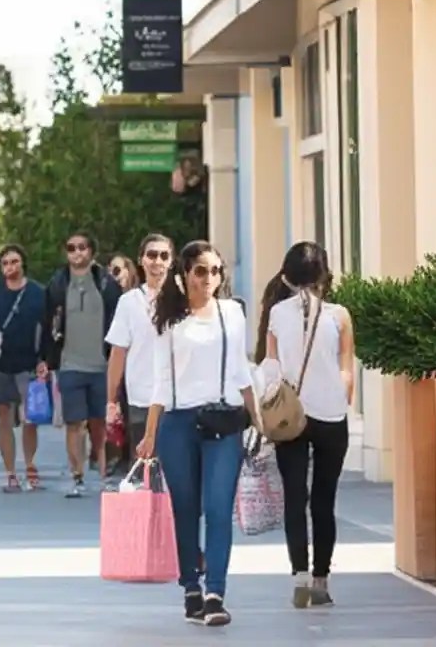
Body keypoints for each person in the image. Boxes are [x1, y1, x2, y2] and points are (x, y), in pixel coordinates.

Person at [136, 240, 256, 627]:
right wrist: (149, 435)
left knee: (219, 509)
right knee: (185, 509)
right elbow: (161, 381)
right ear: (184, 274)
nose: (209, 279)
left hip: (223, 421)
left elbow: (241, 370)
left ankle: (215, 593)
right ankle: (191, 584)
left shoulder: (233, 314)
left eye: (215, 271)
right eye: (201, 271)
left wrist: (259, 421)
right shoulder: (169, 318)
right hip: (177, 424)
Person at [255, 241, 354, 609]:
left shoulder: (277, 313)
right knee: (325, 501)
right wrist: (343, 396)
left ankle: (298, 576)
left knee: (295, 497)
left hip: (290, 416)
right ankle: (321, 580)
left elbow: (270, 366)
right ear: (324, 276)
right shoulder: (340, 315)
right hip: (331, 415)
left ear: (285, 276)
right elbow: (347, 367)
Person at [38, 231, 121, 497]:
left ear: (91, 251)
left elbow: (119, 320)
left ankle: (102, 473)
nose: (77, 252)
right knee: (74, 423)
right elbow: (47, 322)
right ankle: (77, 475)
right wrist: (45, 359)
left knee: (99, 423)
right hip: (69, 362)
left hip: (102, 364)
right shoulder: (58, 284)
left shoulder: (106, 283)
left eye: (82, 247)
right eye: (71, 248)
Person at [0, 244, 46, 492]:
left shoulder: (38, 293)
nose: (10, 267)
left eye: (14, 262)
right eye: (5, 263)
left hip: (29, 362)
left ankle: (30, 465)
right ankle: (10, 472)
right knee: (4, 418)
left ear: (22, 263)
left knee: (30, 418)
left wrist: (44, 360)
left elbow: (46, 328)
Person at [105, 234, 174, 465]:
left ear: (171, 261)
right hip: (142, 397)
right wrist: (112, 401)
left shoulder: (182, 300)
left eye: (164, 255)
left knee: (175, 468)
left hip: (179, 397)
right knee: (146, 466)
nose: (157, 261)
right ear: (141, 260)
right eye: (152, 255)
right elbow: (118, 353)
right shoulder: (129, 302)